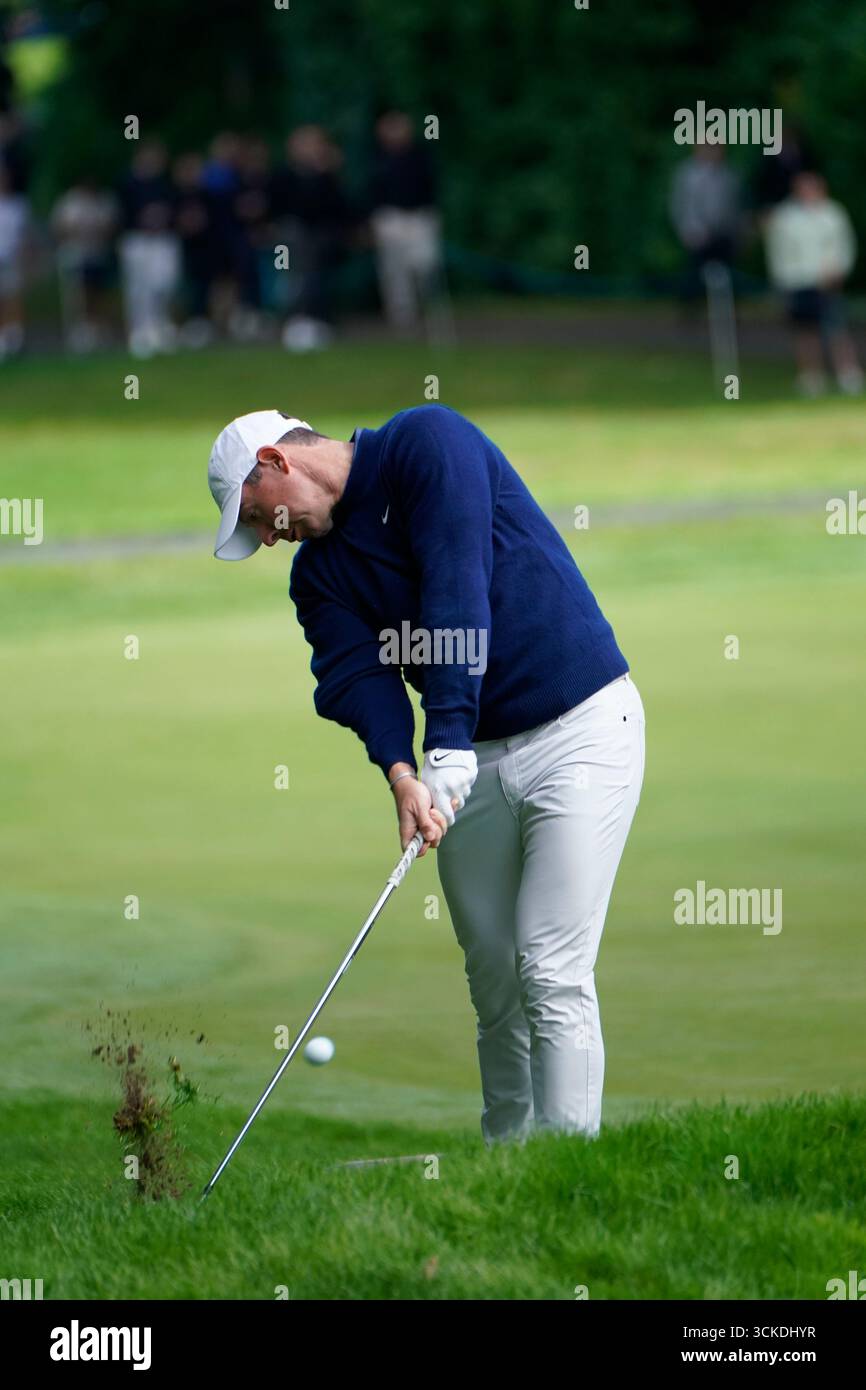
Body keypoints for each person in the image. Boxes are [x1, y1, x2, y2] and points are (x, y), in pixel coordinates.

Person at [206, 404, 646, 1143]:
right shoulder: (318, 577)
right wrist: (404, 773)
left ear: (278, 463)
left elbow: (455, 583)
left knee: (549, 966)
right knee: (496, 982)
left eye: (258, 516)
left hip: (581, 730)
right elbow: (357, 677)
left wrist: (444, 740)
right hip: (469, 759)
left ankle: (571, 1172)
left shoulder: (427, 444)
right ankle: (505, 1163)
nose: (266, 536)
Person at [764, 169, 862, 396]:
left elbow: (844, 246)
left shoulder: (833, 213)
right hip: (797, 281)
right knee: (805, 331)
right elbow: (778, 253)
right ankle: (811, 376)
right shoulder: (785, 217)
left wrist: (839, 270)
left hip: (827, 280)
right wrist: (785, 280)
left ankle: (848, 373)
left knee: (837, 327)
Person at [270, 125, 350, 351]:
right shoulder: (284, 174)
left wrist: (325, 174)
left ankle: (318, 319)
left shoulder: (329, 176)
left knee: (317, 276)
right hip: (293, 238)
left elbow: (338, 208)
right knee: (296, 278)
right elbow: (282, 207)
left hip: (323, 239)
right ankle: (295, 320)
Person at [368, 110, 442, 335]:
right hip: (390, 217)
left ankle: (424, 303)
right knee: (394, 269)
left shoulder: (421, 154)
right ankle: (402, 316)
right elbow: (371, 191)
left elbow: (432, 185)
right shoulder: (376, 158)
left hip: (419, 216)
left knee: (425, 262)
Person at [117, 140, 180, 357]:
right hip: (137, 241)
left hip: (162, 240)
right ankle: (141, 331)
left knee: (164, 283)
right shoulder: (127, 182)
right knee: (139, 288)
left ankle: (161, 325)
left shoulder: (165, 183)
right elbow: (123, 213)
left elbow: (174, 209)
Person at [51, 177, 119, 352]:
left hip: (97, 254)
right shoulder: (70, 201)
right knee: (78, 294)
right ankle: (79, 330)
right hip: (75, 255)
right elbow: (60, 228)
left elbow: (110, 226)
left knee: (98, 292)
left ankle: (97, 328)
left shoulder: (103, 201)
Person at [670, 145, 740, 303]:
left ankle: (725, 311)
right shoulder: (687, 174)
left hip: (724, 233)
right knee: (694, 275)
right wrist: (689, 230)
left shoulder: (727, 173)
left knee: (726, 275)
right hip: (697, 233)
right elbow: (681, 204)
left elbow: (732, 205)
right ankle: (691, 311)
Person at [0, 160, 28, 360]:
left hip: (11, 257)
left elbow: (24, 234)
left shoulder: (18, 205)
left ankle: (14, 337)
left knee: (12, 296)